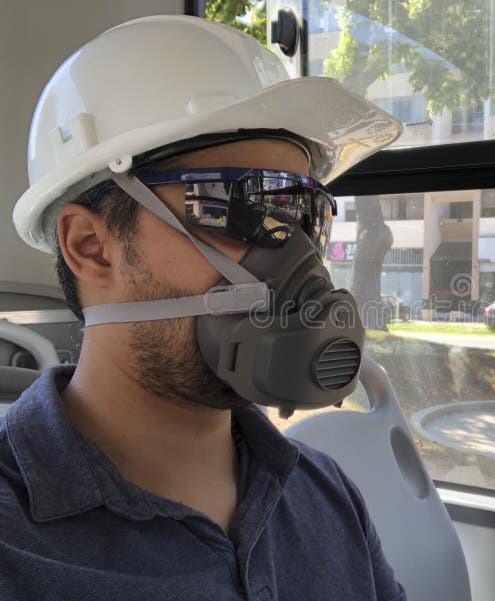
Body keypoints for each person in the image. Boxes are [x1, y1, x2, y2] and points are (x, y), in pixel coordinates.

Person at [0, 15, 406, 600]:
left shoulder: (325, 495)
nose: (294, 255)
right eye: (237, 207)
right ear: (90, 247)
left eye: (303, 214)